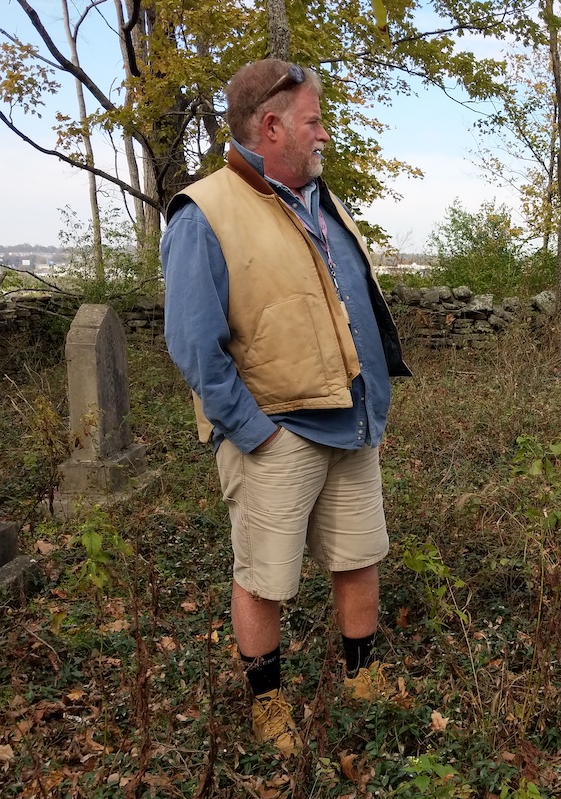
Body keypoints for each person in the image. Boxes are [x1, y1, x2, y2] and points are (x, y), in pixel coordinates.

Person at [161, 59, 411, 756]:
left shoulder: (316, 196)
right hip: (276, 432)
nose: (323, 132)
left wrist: (371, 401)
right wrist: (253, 432)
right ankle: (267, 704)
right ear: (270, 126)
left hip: (350, 419)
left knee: (359, 555)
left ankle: (362, 678)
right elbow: (192, 345)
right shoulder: (205, 210)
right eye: (313, 119)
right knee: (264, 576)